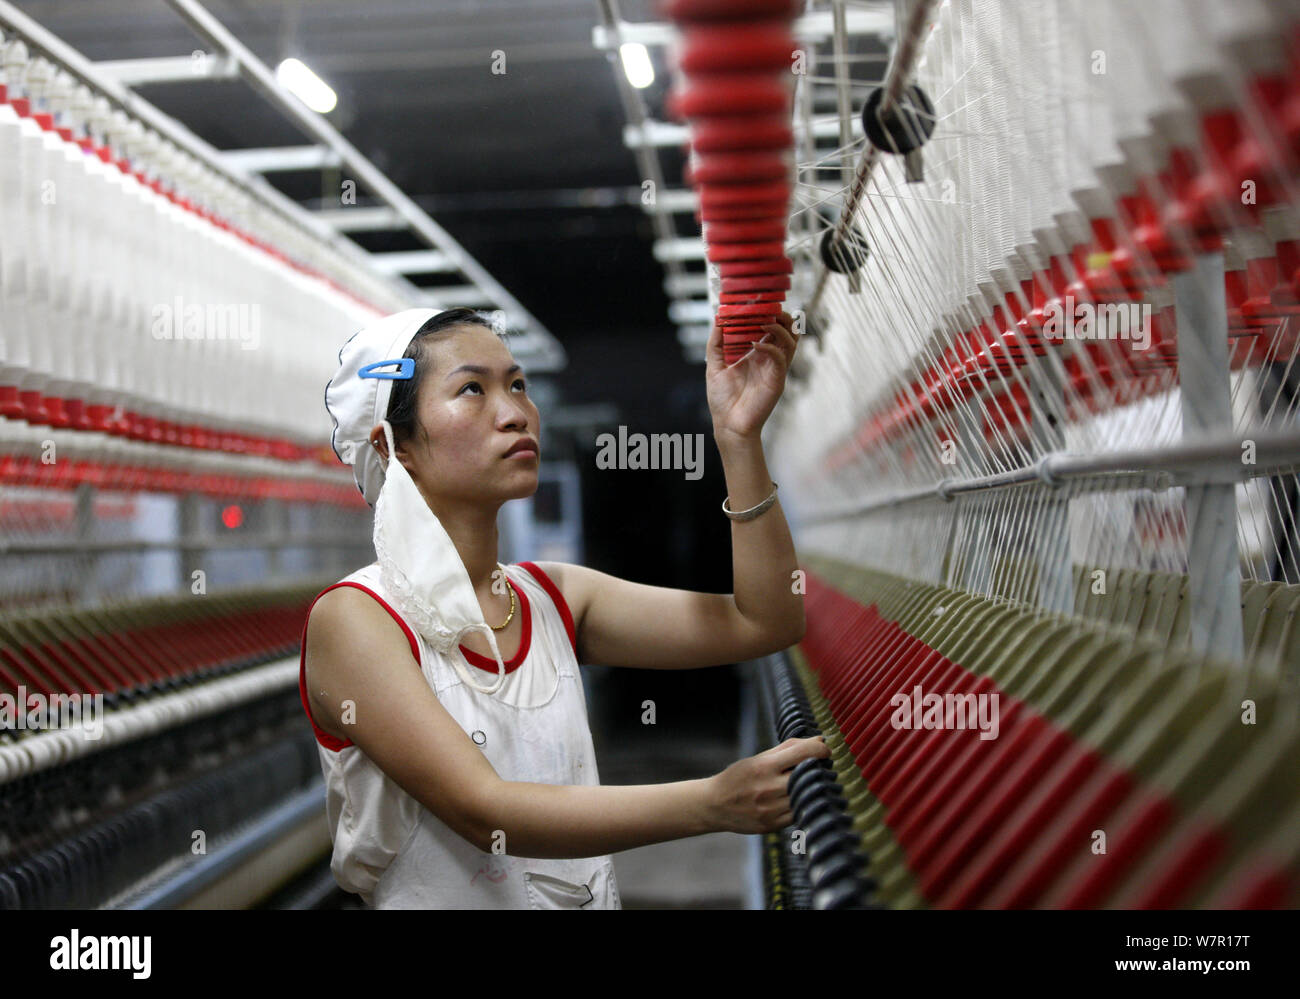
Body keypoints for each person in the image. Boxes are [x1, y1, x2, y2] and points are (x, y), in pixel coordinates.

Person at [299, 305, 828, 908]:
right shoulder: (357, 618)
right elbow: (485, 810)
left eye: (518, 385)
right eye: (472, 389)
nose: (516, 413)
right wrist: (711, 802)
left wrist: (739, 440)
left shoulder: (554, 596)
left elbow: (766, 619)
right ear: (394, 448)